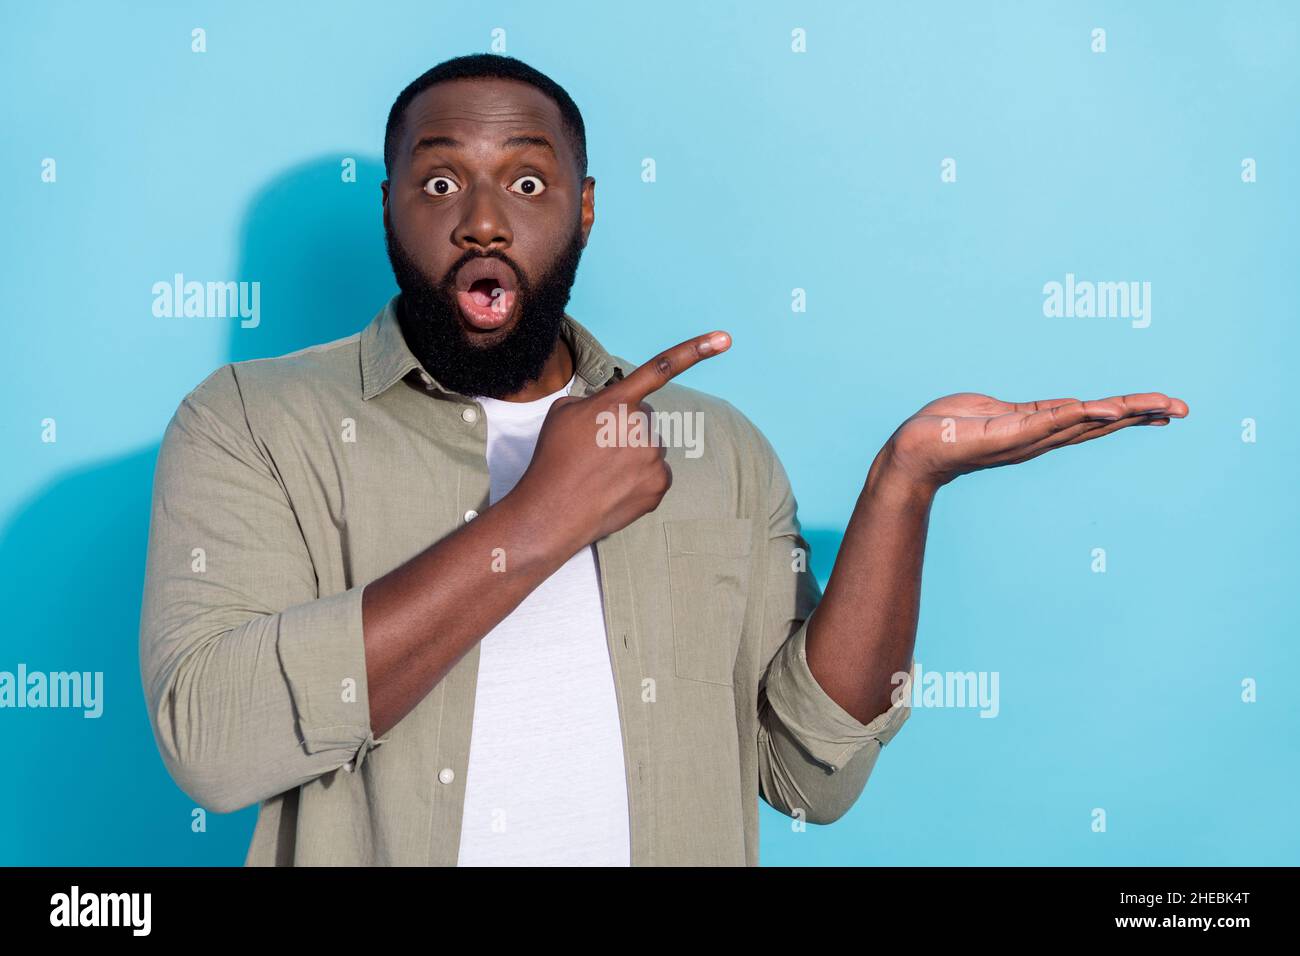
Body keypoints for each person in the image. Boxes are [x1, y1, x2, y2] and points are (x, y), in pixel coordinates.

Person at [138, 53, 1188, 866]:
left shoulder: (714, 448)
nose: (485, 219)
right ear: (388, 207)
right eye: (442, 178)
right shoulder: (252, 420)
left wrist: (901, 486)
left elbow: (805, 771)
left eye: (530, 181)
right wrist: (539, 520)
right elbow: (214, 743)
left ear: (586, 209)